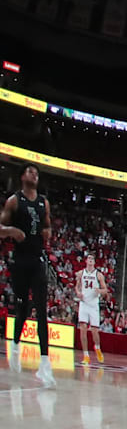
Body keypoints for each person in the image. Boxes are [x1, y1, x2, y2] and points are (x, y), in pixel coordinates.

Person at [1, 163, 55, 388]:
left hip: (37, 259)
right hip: (19, 260)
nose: (34, 174)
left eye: (37, 173)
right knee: (22, 305)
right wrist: (12, 231)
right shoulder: (14, 201)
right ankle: (14, 342)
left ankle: (44, 365)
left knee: (41, 308)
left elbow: (48, 227)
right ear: (22, 176)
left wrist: (47, 233)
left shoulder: (44, 203)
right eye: (30, 171)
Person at [75, 253, 110, 366]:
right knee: (83, 329)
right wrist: (78, 293)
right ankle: (86, 355)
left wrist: (99, 291)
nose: (90, 260)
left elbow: (105, 290)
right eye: (89, 258)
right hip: (84, 304)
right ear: (86, 261)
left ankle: (97, 348)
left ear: (94, 262)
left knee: (95, 331)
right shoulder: (81, 273)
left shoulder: (98, 275)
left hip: (94, 305)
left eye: (92, 259)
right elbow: (77, 287)